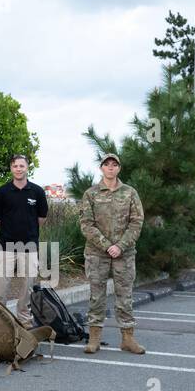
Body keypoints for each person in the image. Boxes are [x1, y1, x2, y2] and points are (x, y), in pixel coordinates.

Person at [79, 151, 145, 354]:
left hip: (124, 254)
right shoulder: (91, 194)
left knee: (125, 296)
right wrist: (107, 245)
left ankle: (127, 338)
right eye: (106, 164)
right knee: (96, 296)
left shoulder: (130, 192)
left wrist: (121, 246)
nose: (110, 167)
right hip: (97, 253)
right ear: (101, 168)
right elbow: (86, 225)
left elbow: (137, 221)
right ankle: (94, 338)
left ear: (119, 168)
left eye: (114, 164)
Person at [0, 154, 48, 325]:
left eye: (22, 166)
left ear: (27, 167)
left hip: (29, 246)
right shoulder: (2, 192)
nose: (18, 169)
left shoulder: (37, 191)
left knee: (27, 287)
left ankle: (25, 322)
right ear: (11, 168)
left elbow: (41, 218)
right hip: (6, 246)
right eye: (15, 166)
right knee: (0, 288)